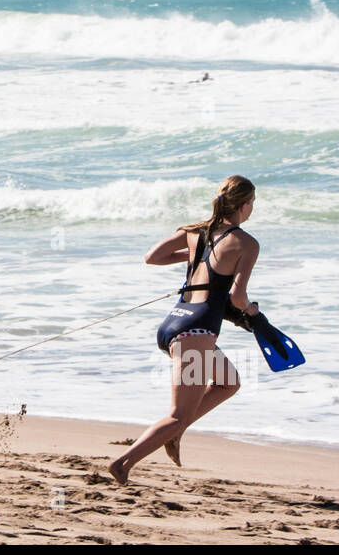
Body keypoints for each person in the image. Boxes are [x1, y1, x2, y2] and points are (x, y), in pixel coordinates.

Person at [109, 175, 259, 485]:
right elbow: (237, 297)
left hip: (174, 325)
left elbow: (153, 257)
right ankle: (124, 462)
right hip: (197, 332)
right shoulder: (246, 242)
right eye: (253, 204)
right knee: (177, 413)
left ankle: (175, 434)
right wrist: (252, 313)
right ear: (245, 205)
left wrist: (192, 255)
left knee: (229, 382)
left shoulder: (195, 230)